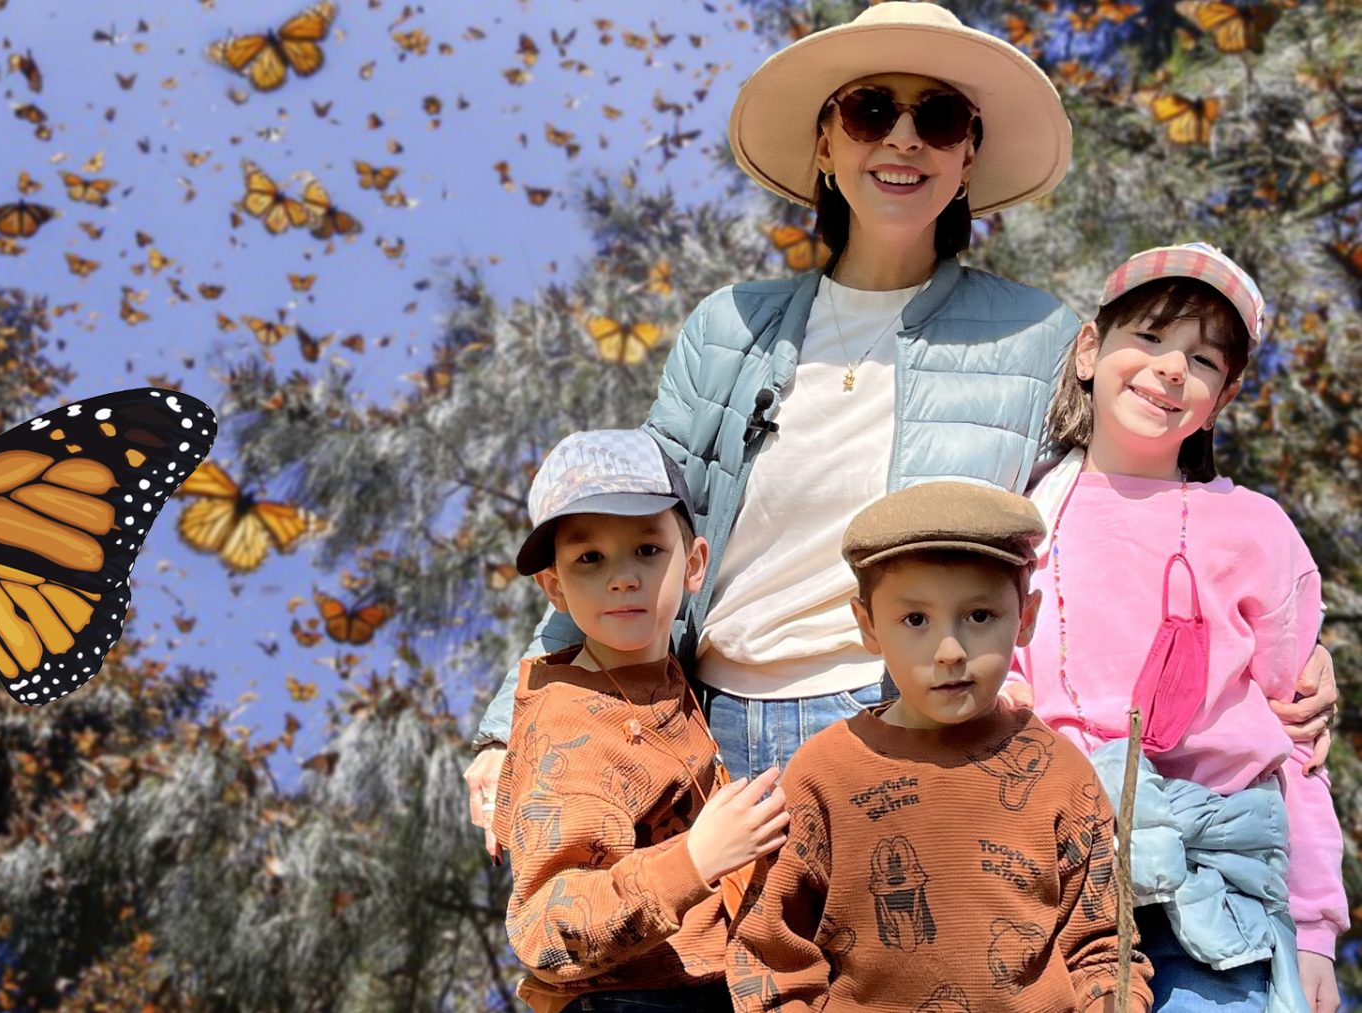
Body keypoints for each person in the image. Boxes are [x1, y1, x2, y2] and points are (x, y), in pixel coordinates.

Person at [465, 0, 1337, 859]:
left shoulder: (1034, 338)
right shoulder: (730, 329)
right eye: (871, 109)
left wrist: (1286, 649)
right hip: (704, 727)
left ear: (967, 157)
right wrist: (516, 721)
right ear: (825, 144)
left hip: (910, 720)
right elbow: (627, 530)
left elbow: (1127, 510)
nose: (904, 138)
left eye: (940, 116)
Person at [1014, 244, 1347, 1013]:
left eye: (1201, 359)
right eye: (1153, 338)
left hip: (1218, 900)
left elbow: (1295, 739)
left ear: (1222, 396)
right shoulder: (1023, 519)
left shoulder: (1257, 531)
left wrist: (1315, 926)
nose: (1171, 369)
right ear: (1091, 350)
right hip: (1054, 886)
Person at [734, 481, 1150, 1013]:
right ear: (867, 625)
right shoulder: (824, 775)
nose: (950, 651)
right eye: (915, 620)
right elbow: (772, 954)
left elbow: (1100, 951)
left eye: (979, 617)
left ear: (1025, 619)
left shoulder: (1060, 776)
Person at [490, 429, 789, 1013]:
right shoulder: (571, 730)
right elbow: (543, 927)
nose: (622, 577)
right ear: (554, 587)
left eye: (648, 551)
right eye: (589, 558)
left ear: (695, 564)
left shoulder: (656, 673)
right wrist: (695, 861)